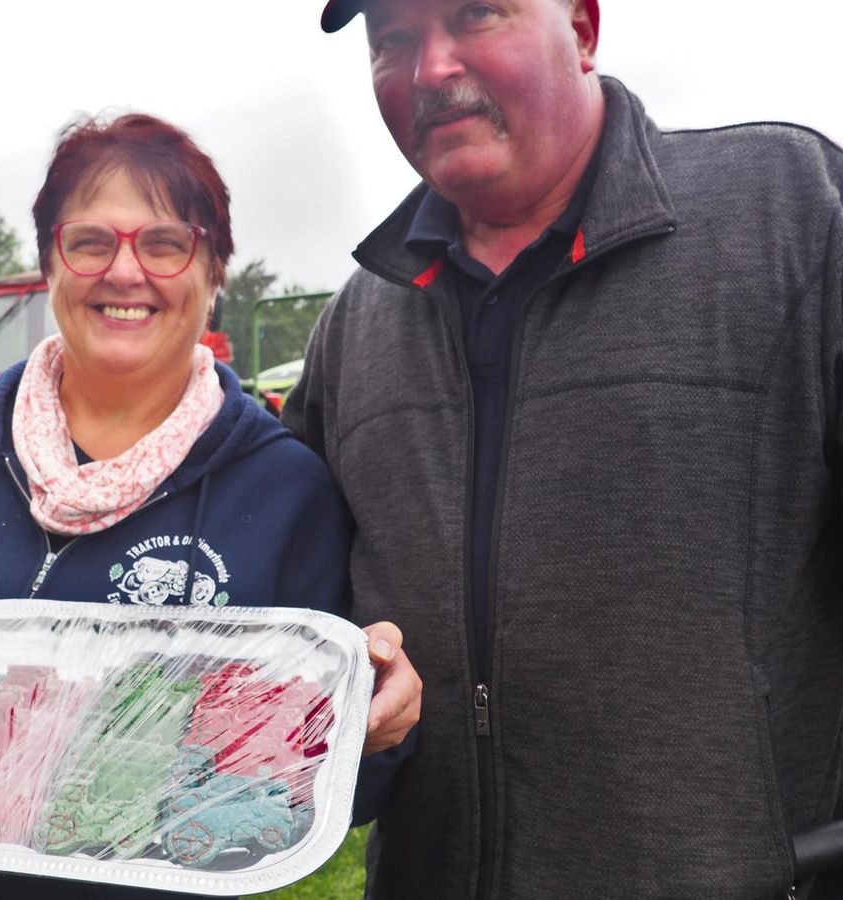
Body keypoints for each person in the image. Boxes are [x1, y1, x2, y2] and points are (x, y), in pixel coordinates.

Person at [0, 113, 423, 900]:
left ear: (214, 273)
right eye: (90, 242)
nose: (125, 272)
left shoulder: (285, 490)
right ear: (50, 264)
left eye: (166, 243)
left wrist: (371, 732)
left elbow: (326, 764)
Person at [285, 1, 843, 897]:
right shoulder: (356, 323)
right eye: (391, 38)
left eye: (475, 14)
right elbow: (291, 602)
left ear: (582, 28)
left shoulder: (790, 216)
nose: (428, 68)